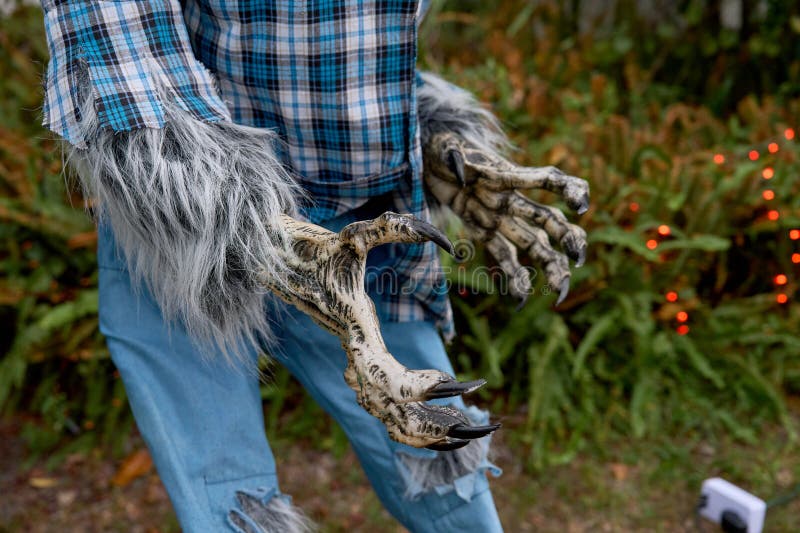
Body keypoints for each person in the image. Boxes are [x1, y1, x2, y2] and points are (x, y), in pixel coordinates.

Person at [39, 0, 588, 531]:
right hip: (180, 237)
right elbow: (117, 50)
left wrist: (433, 138)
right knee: (229, 502)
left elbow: (367, 45)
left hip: (362, 229)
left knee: (446, 465)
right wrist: (226, 216)